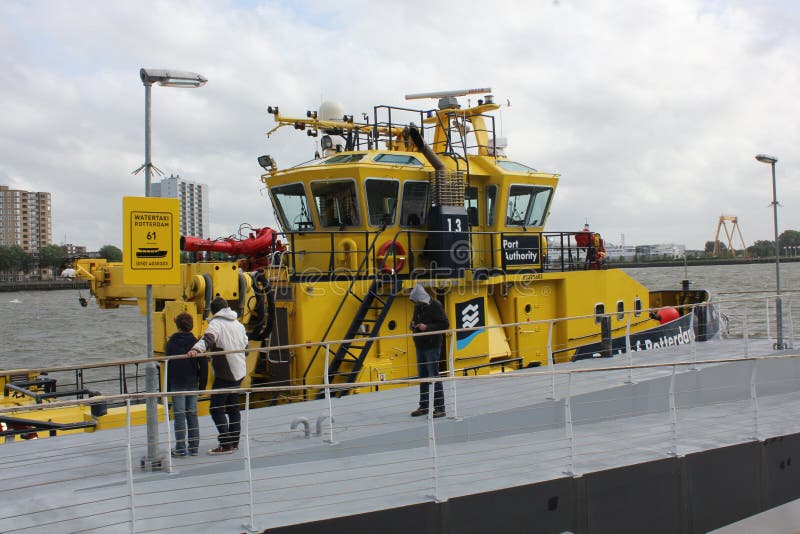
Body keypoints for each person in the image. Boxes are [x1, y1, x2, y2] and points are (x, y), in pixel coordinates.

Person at [188, 296, 249, 455]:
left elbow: (208, 338)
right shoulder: (238, 324)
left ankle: (226, 444)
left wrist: (196, 350)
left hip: (225, 372)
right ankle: (234, 442)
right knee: (233, 406)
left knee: (215, 408)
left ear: (214, 310)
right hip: (240, 370)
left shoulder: (216, 323)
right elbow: (246, 346)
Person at [166, 312, 207, 457]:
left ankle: (180, 447)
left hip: (177, 384)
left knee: (179, 416)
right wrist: (202, 385)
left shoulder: (171, 343)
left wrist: (167, 388)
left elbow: (168, 365)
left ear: (177, 325)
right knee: (192, 414)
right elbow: (204, 364)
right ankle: (194, 447)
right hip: (192, 383)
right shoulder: (196, 342)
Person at [408, 283, 449, 418]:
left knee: (434, 375)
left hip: (432, 345)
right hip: (420, 345)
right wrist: (413, 325)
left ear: (420, 298)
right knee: (423, 376)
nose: (415, 303)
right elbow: (415, 319)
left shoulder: (435, 306)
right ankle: (424, 405)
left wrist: (427, 328)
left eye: (416, 301)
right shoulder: (418, 307)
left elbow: (444, 324)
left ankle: (440, 408)